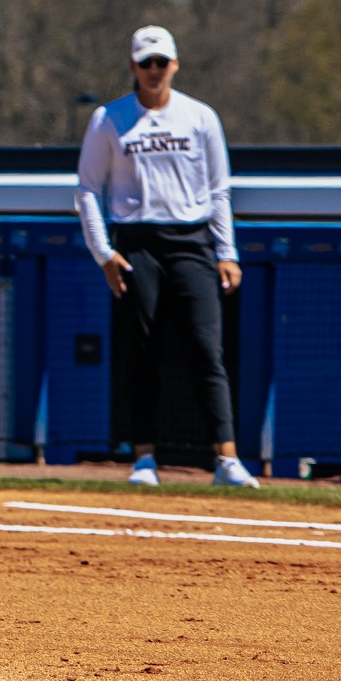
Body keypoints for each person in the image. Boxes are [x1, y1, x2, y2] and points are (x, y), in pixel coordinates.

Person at [75, 25, 258, 488]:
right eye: (145, 63)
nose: (154, 71)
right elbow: (88, 190)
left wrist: (226, 251)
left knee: (205, 348)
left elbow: (219, 189)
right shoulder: (109, 119)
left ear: (175, 64)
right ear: (133, 67)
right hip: (137, 242)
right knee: (143, 350)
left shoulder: (200, 117)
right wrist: (104, 253)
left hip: (192, 241)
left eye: (161, 62)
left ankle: (227, 461)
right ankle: (143, 459)